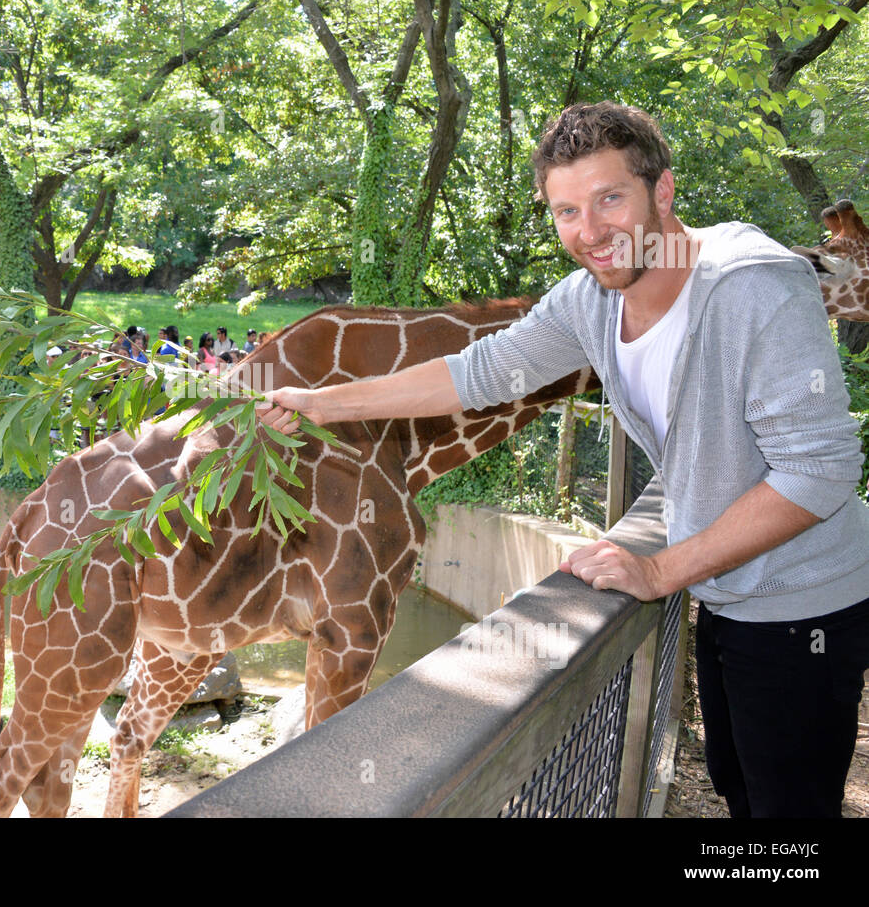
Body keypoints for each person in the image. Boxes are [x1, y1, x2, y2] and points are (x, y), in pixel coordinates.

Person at [261, 101, 869, 818]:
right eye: (566, 211)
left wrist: (657, 569)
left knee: (787, 821)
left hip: (803, 603)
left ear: (662, 192)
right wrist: (325, 404)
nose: (590, 232)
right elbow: (479, 371)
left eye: (610, 198)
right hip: (726, 591)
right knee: (743, 792)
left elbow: (819, 470)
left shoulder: (753, 284)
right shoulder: (590, 300)